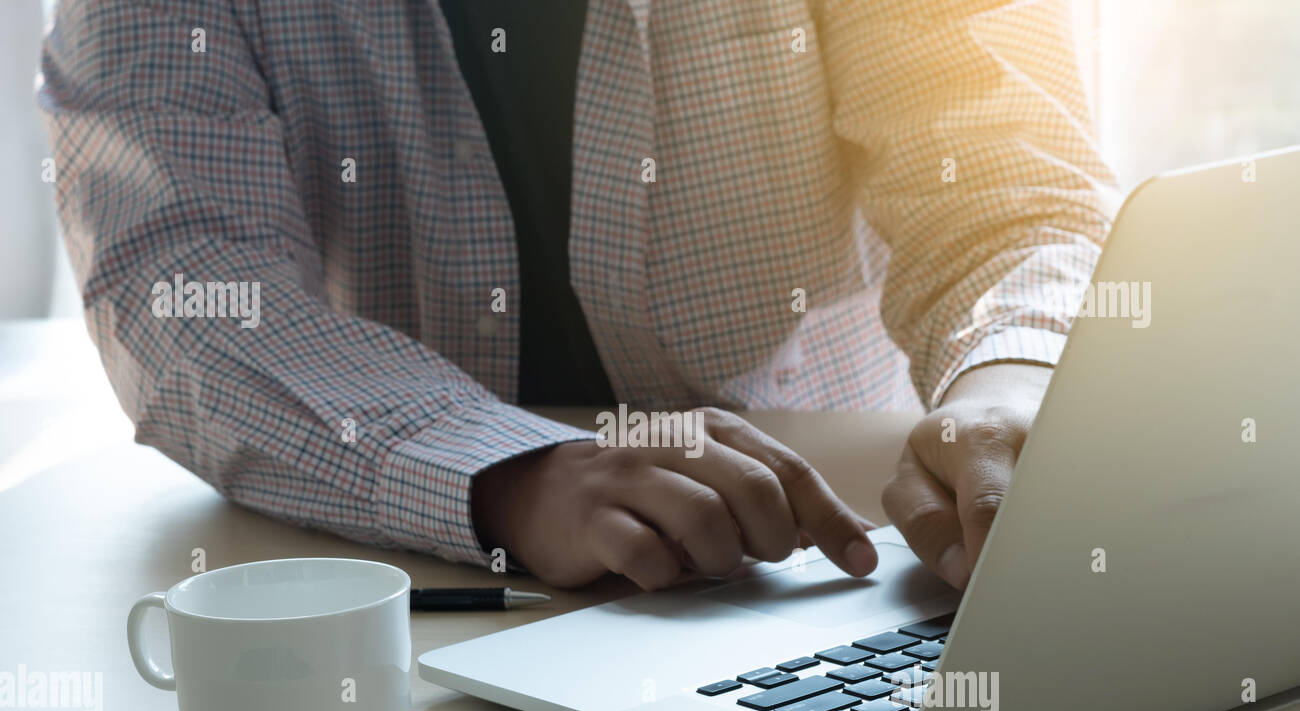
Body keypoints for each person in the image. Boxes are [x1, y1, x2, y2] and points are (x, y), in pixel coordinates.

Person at [37, 0, 1118, 591]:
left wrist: (1012, 373)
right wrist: (497, 472)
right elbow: (182, 281)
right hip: (399, 586)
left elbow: (1001, 179)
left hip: (834, 570)